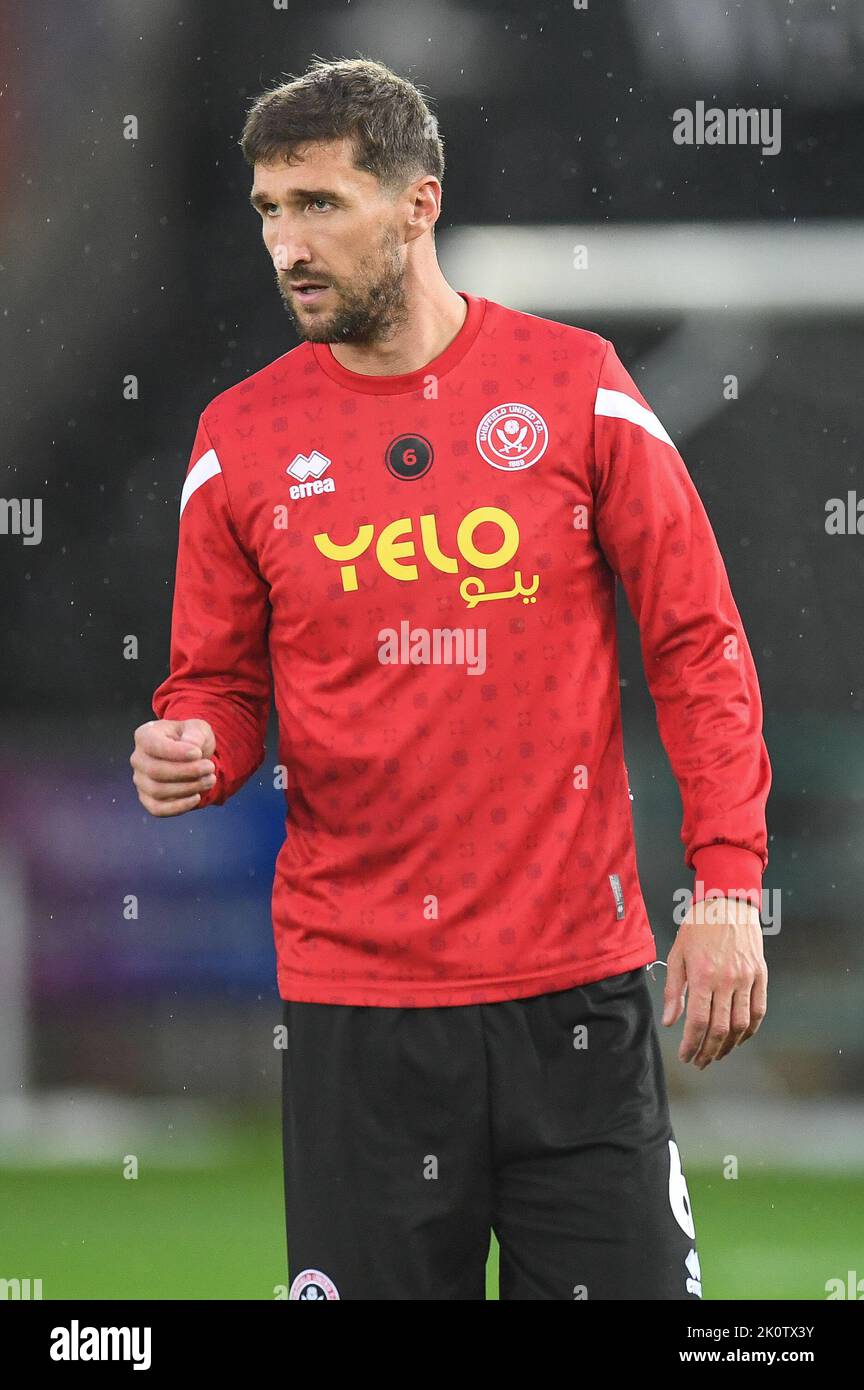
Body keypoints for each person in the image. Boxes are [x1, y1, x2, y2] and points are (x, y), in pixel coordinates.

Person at [131, 57, 771, 1301]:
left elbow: (698, 643)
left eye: (320, 204)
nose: (286, 246)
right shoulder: (239, 439)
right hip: (359, 1012)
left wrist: (731, 886)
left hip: (575, 995)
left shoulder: (576, 387)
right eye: (269, 210)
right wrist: (193, 743)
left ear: (418, 202)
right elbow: (216, 689)